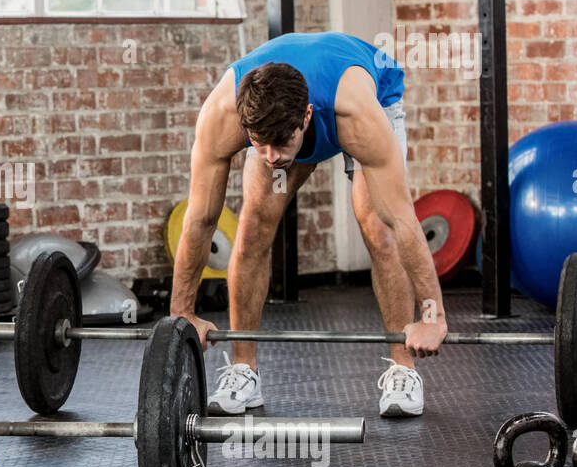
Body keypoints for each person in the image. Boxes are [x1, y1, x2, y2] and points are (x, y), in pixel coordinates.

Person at [170, 31, 447, 417]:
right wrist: (181, 310)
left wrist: (432, 316)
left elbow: (402, 219)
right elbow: (200, 218)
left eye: (280, 144)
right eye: (258, 144)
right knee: (252, 229)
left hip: (367, 97)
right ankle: (243, 370)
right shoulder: (225, 116)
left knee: (378, 228)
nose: (270, 158)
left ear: (305, 117)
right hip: (295, 111)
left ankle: (404, 370)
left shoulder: (357, 115)